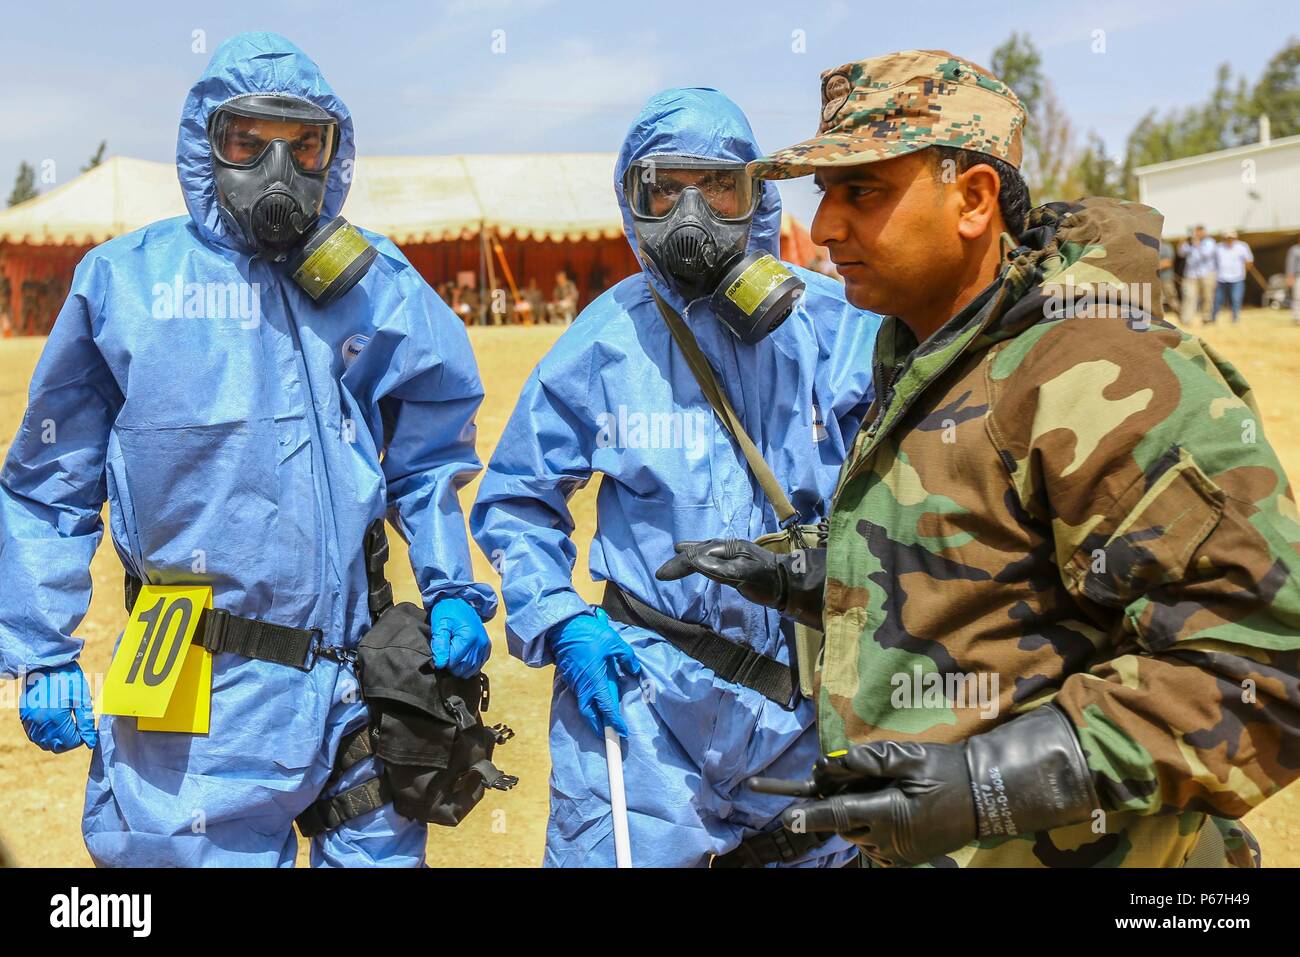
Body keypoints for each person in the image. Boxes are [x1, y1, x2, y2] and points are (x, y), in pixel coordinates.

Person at [665, 49, 1300, 867]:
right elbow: (995, 574)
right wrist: (814, 575)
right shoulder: (930, 346)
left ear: (972, 199)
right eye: (824, 193)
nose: (824, 229)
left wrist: (989, 784)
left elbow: (1264, 663)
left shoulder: (1097, 371)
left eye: (864, 192)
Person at [0, 32, 497, 867]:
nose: (278, 169)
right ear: (205, 143)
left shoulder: (373, 284)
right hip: (190, 682)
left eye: (304, 145)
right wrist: (39, 648)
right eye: (247, 141)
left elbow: (429, 455)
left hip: (356, 684)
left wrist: (448, 583)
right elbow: (49, 483)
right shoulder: (127, 285)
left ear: (334, 151)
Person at [470, 87, 881, 868]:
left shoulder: (838, 330)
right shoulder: (606, 338)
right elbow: (519, 497)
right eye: (665, 189)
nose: (692, 216)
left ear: (757, 197)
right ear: (634, 198)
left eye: (719, 187)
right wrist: (560, 617)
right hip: (642, 701)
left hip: (808, 711)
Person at [1178, 224, 1217, 325]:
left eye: (1199, 232)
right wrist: (1183, 241)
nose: (1197, 234)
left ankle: (1206, 318)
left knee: (1207, 297)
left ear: (1204, 232)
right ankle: (1186, 320)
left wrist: (1197, 243)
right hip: (1191, 275)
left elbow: (1206, 255)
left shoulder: (1210, 242)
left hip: (1207, 274)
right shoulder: (1190, 242)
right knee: (1189, 296)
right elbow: (1181, 253)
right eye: (1196, 232)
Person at [1212, 229, 1253, 324]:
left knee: (1236, 298)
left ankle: (1235, 318)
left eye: (1231, 238)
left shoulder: (1242, 246)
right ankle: (1213, 318)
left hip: (1237, 278)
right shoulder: (1218, 248)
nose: (1230, 240)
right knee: (1218, 299)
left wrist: (1243, 271)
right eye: (1228, 238)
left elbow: (1249, 260)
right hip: (1221, 278)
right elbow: (1212, 262)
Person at [1158, 239, 1180, 320]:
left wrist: (1153, 266)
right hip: (1154, 280)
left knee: (1172, 299)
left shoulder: (1166, 247)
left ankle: (1180, 317)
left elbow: (1168, 263)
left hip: (1166, 278)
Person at [1288, 238, 1300, 325]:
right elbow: (1290, 264)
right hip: (1298, 276)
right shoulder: (1294, 250)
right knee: (1297, 297)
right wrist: (1290, 277)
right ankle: (1297, 317)